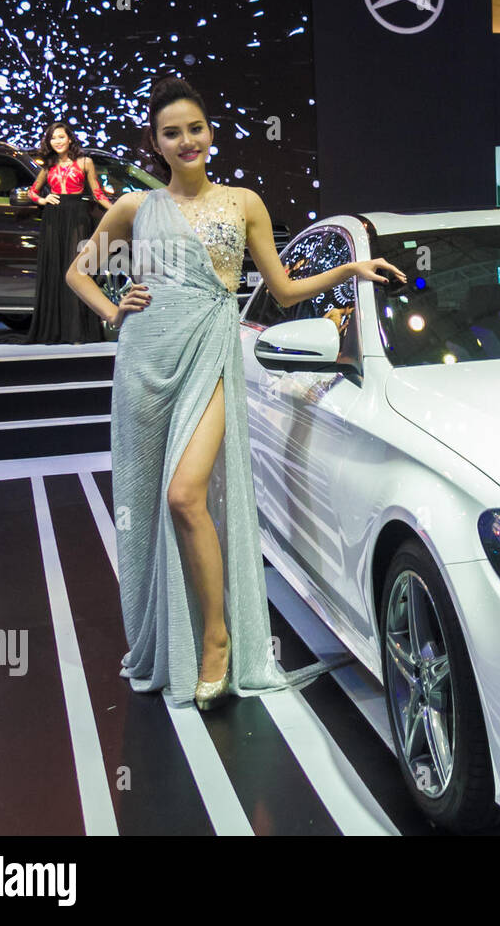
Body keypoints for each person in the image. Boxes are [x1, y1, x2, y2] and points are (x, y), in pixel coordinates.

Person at [64, 76, 406, 710]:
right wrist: (114, 310)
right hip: (145, 356)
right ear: (157, 144)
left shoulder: (244, 203)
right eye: (172, 133)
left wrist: (349, 269)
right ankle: (169, 638)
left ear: (210, 134)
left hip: (210, 352)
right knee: (146, 498)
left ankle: (216, 641)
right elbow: (78, 271)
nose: (186, 140)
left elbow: (281, 289)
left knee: (184, 493)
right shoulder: (134, 209)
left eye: (195, 128)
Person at [24, 121, 113, 344]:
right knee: (56, 270)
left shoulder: (85, 162)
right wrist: (43, 199)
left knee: (76, 270)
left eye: (61, 137)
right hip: (54, 218)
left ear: (70, 139)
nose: (57, 141)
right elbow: (32, 192)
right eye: (53, 138)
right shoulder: (48, 165)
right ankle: (57, 331)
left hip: (78, 216)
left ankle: (78, 332)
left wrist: (116, 211)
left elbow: (98, 193)